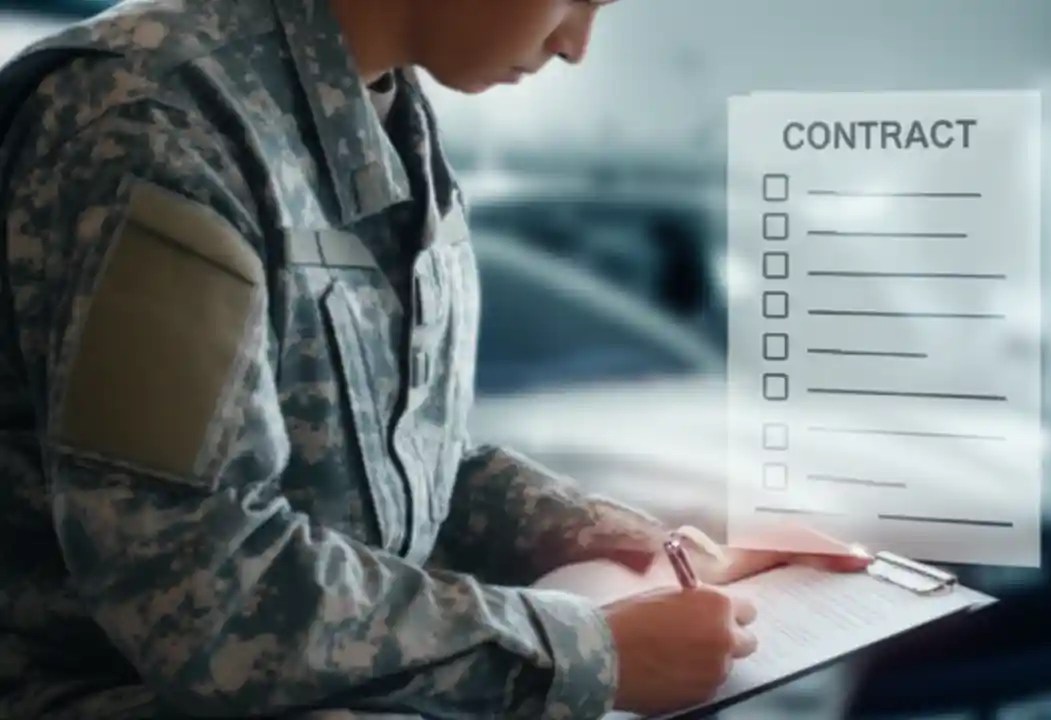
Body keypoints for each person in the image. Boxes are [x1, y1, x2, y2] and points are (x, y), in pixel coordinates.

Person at [0, 1, 870, 718]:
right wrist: (583, 654)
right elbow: (197, 585)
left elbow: (411, 468)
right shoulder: (154, 118)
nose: (576, 45)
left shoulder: (387, 116)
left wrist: (664, 553)